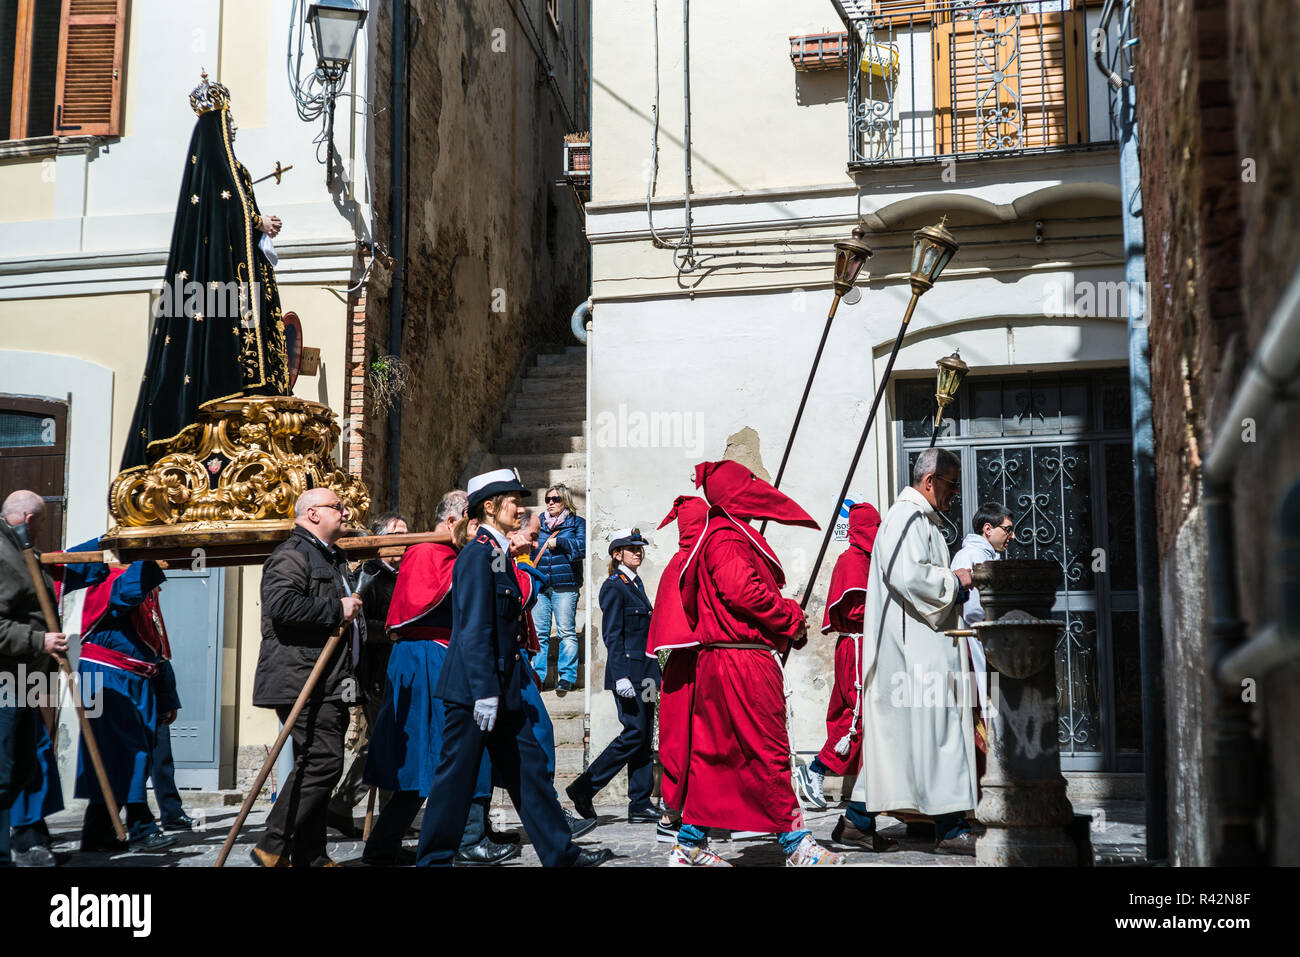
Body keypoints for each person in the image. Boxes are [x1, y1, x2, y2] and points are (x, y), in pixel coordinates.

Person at [415, 469, 612, 867]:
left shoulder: (499, 555)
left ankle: (561, 854)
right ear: (489, 507)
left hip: (500, 688)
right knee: (456, 778)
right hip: (475, 691)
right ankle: (433, 860)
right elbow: (474, 628)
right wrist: (485, 690)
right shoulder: (478, 555)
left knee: (529, 771)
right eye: (512, 500)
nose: (521, 507)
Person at [670, 460, 844, 867]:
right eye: (748, 483)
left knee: (717, 754)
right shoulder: (726, 538)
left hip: (722, 660)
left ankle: (690, 842)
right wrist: (790, 617)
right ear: (735, 494)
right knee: (769, 750)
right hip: (743, 662)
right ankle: (795, 843)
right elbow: (743, 592)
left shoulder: (718, 534)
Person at [121, 71, 289, 473]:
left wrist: (256, 224)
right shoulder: (218, 167)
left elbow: (233, 213)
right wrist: (257, 222)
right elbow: (225, 215)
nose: (233, 131)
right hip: (222, 288)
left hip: (238, 280)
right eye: (228, 124)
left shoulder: (235, 170)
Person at [362, 491, 520, 867]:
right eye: (474, 522)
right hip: (425, 660)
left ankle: (384, 845)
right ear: (453, 521)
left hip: (440, 657)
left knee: (436, 757)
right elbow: (426, 605)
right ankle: (466, 839)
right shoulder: (426, 552)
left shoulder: (455, 553)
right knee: (439, 754)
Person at [853, 448, 979, 855]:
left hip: (922, 646)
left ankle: (856, 821)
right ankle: (951, 826)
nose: (955, 494)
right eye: (951, 484)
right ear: (929, 482)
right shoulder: (906, 518)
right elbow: (908, 576)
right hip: (914, 651)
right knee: (937, 736)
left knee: (902, 744)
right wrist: (956, 582)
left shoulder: (920, 519)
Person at [250, 487, 362, 868]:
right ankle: (272, 843)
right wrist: (337, 607)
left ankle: (311, 855)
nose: (345, 513)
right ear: (312, 514)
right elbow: (281, 606)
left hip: (325, 678)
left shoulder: (329, 557)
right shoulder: (292, 554)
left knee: (313, 761)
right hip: (301, 678)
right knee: (324, 761)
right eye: (337, 507)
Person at [793, 502, 898, 853]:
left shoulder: (870, 559)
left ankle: (855, 812)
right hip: (856, 647)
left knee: (861, 720)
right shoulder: (851, 560)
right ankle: (817, 768)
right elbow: (851, 608)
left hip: (867, 647)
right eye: (875, 526)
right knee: (857, 719)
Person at [66, 548, 178, 853]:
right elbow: (124, 596)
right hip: (107, 674)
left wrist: (167, 695)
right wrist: (150, 556)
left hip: (137, 677)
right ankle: (141, 827)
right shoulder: (112, 577)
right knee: (128, 753)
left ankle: (98, 832)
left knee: (121, 757)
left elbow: (157, 647)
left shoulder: (146, 586)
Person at [566, 529, 661, 826]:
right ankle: (584, 787)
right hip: (628, 675)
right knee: (633, 733)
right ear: (617, 554)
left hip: (645, 674)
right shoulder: (613, 587)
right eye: (631, 548)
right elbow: (612, 636)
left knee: (643, 738)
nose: (637, 552)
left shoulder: (635, 582)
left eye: (639, 548)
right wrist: (619, 676)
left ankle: (640, 803)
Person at [328, 510, 408, 837]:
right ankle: (390, 821)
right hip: (377, 673)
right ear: (379, 542)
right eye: (397, 536)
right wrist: (392, 632)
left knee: (381, 744)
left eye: (407, 535)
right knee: (388, 745)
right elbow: (358, 628)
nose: (405, 542)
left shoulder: (405, 573)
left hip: (401, 671)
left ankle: (341, 806)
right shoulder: (369, 575)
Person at [0, 490, 68, 868]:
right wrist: (38, 639)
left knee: (23, 765)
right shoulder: (2, 555)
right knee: (3, 769)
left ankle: (24, 843)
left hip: (27, 679)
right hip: (6, 681)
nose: (41, 530)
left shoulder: (25, 555)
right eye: (40, 522)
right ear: (28, 519)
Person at [643, 496, 708, 844]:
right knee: (681, 738)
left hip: (696, 663)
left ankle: (692, 810)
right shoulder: (686, 564)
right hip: (687, 665)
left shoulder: (684, 562)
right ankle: (672, 814)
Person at [529, 484, 585, 693]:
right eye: (548, 499)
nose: (551, 502)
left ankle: (567, 677)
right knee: (540, 633)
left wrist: (560, 542)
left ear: (566, 501)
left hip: (566, 586)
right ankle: (539, 676)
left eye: (556, 499)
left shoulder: (577, 523)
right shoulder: (538, 523)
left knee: (566, 632)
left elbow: (583, 548)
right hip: (541, 585)